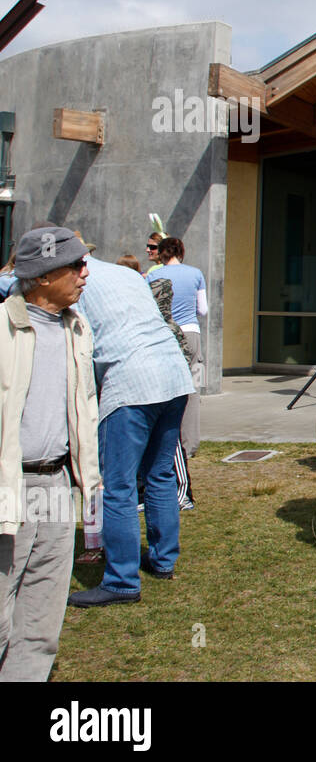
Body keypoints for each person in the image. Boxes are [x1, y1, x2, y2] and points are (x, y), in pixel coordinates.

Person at [0, 227, 101, 680]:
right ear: (41, 276)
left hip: (57, 483)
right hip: (10, 487)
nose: (85, 273)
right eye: (75, 265)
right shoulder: (4, 329)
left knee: (42, 614)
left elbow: (85, 409)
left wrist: (88, 484)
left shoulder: (77, 327)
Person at [67, 253, 194, 608]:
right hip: (173, 375)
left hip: (131, 383)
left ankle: (121, 580)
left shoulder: (76, 282)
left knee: (119, 485)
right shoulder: (124, 274)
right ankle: (164, 559)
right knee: (160, 473)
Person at [149, 237, 207, 461]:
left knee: (164, 388)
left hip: (165, 333)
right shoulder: (195, 273)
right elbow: (203, 309)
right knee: (193, 389)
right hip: (191, 334)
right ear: (181, 251)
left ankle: (165, 442)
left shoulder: (154, 275)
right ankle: (190, 444)